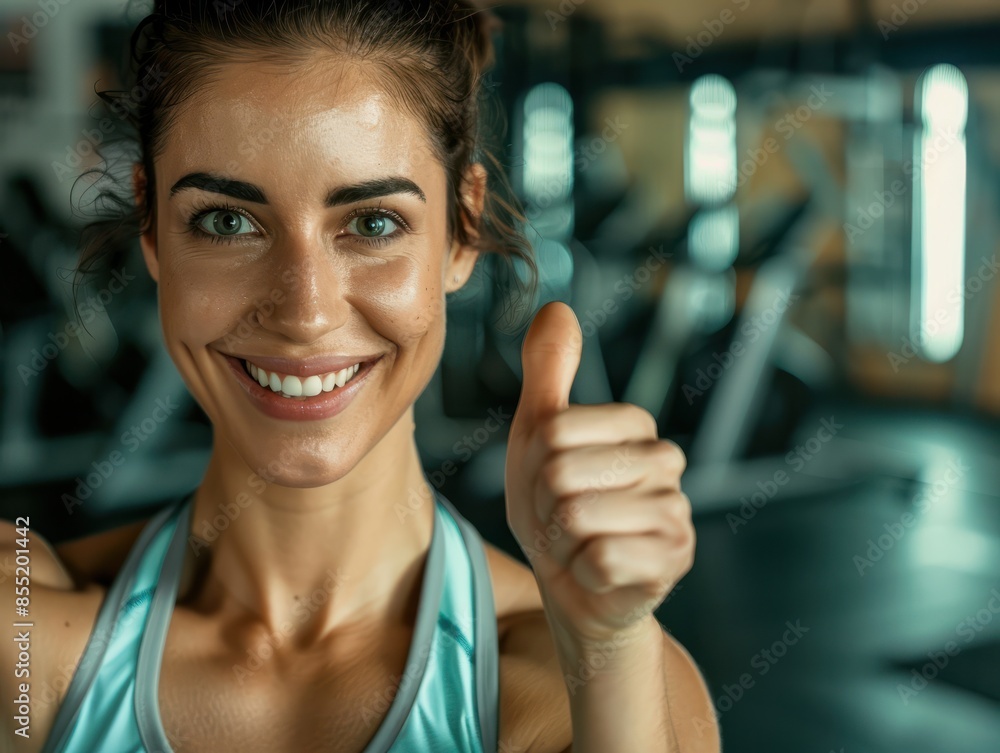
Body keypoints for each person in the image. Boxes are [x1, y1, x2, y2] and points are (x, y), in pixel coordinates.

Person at [0, 1, 720, 751]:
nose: (305, 311)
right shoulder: (25, 632)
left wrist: (610, 648)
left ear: (461, 228)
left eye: (373, 222)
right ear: (152, 229)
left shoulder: (576, 679)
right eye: (226, 221)